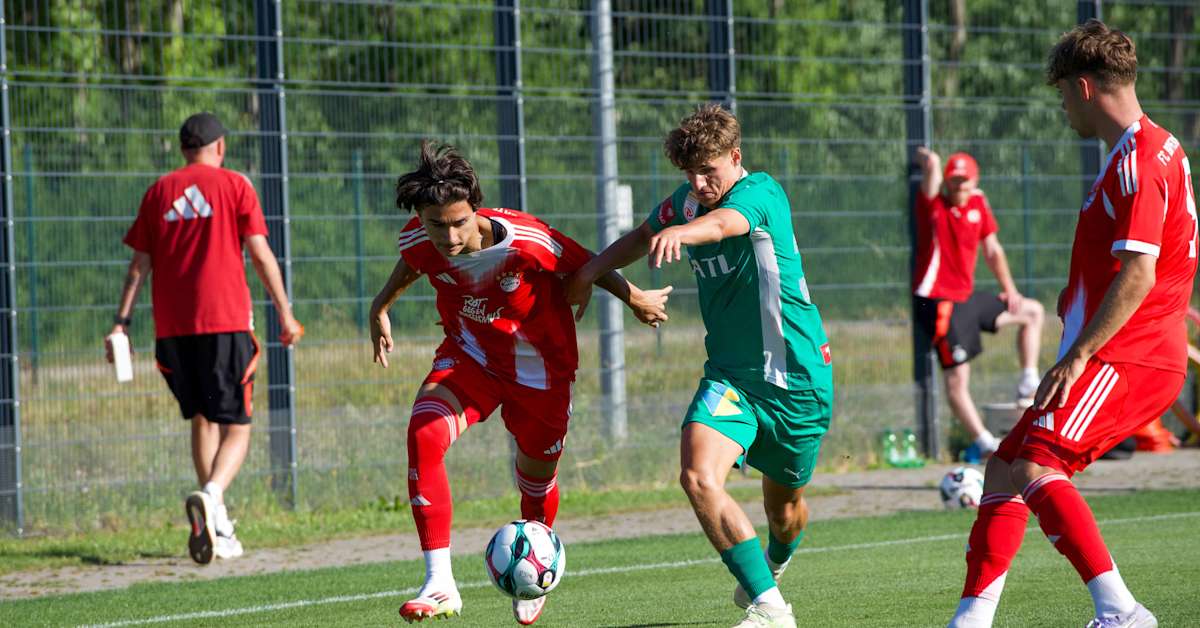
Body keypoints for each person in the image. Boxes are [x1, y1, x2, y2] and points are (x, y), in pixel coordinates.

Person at [948, 20, 1197, 628]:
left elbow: (1140, 271)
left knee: (1037, 465)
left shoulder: (1139, 157)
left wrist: (1079, 352)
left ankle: (1122, 613)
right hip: (1122, 349)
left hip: (1126, 356)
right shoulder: (1152, 149)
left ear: (1084, 88)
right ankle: (972, 618)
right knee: (1006, 466)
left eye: (1062, 95)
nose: (1063, 109)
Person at [371, 141, 669, 625]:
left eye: (458, 223)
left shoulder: (526, 240)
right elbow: (413, 262)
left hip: (541, 375)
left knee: (537, 479)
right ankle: (440, 582)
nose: (447, 236)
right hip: (469, 359)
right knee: (424, 431)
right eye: (435, 225)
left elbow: (584, 261)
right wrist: (380, 305)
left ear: (476, 209)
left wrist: (634, 297)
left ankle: (535, 567)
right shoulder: (419, 239)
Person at [566, 104, 833, 628]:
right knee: (696, 475)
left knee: (784, 512)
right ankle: (771, 609)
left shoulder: (760, 193)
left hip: (796, 378)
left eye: (709, 169)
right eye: (690, 173)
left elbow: (723, 224)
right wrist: (591, 271)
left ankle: (772, 566)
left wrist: (683, 234)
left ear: (735, 157)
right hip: (731, 375)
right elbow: (644, 234)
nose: (699, 182)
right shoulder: (685, 202)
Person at [107, 112, 304, 565]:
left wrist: (121, 323)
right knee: (238, 425)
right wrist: (286, 314)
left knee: (202, 416)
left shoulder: (158, 192)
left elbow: (139, 266)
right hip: (225, 322)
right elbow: (259, 253)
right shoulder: (235, 185)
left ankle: (218, 524)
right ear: (221, 147)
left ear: (182, 150)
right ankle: (213, 495)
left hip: (173, 330)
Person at [911, 147, 1046, 461]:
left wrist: (1009, 290)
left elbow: (993, 251)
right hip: (937, 302)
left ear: (975, 182)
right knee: (957, 380)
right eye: (954, 182)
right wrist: (926, 160)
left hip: (967, 297)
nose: (959, 188)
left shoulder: (979, 203)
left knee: (1032, 311)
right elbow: (931, 172)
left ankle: (1028, 382)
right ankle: (987, 444)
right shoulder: (932, 205)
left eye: (965, 182)